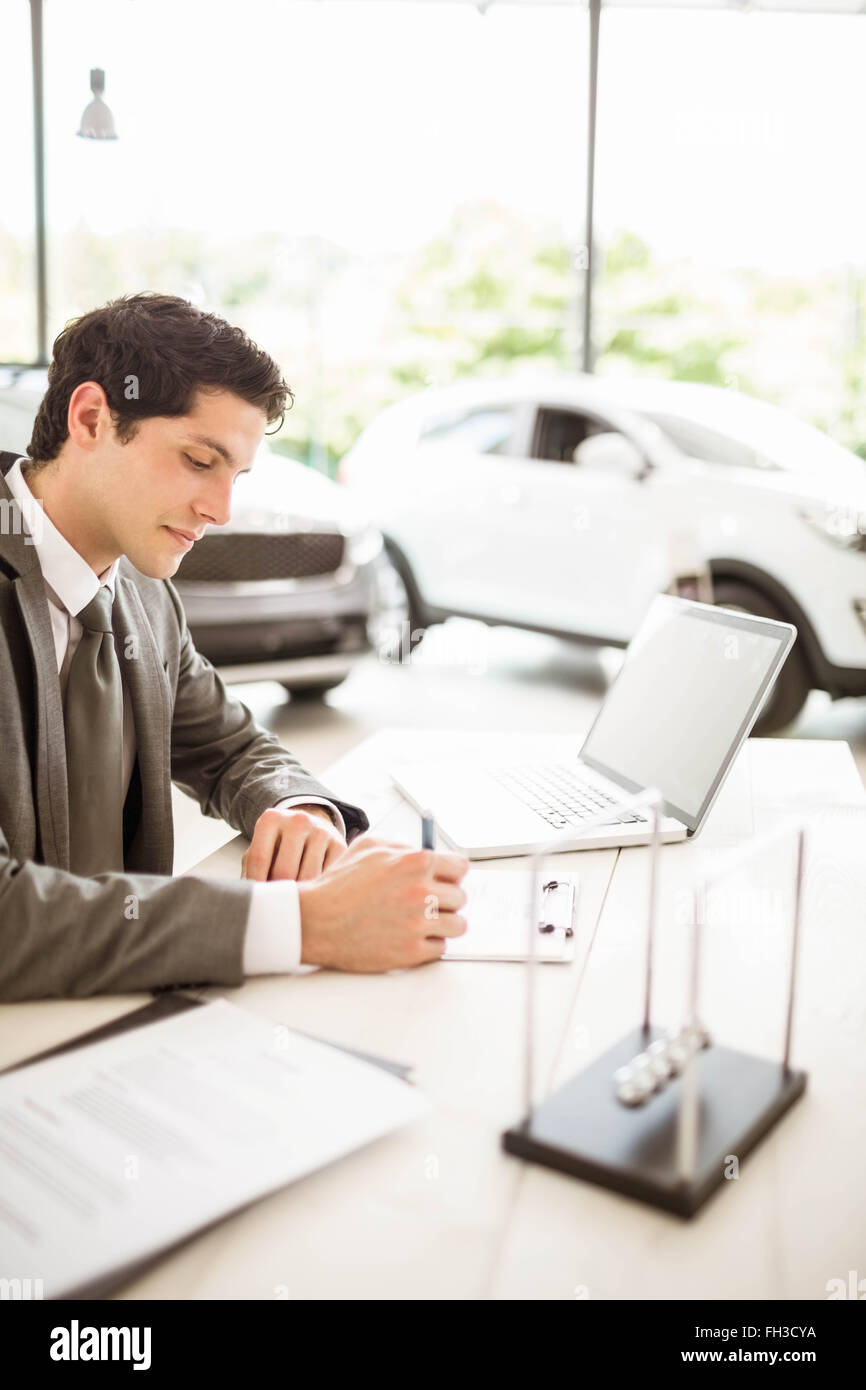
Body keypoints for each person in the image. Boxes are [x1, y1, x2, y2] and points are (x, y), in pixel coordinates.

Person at [0, 293, 468, 1002]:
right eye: (198, 460)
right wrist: (306, 923)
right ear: (92, 418)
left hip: (108, 1016)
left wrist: (299, 810)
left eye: (236, 478)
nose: (219, 511)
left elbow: (231, 749)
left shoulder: (143, 598)